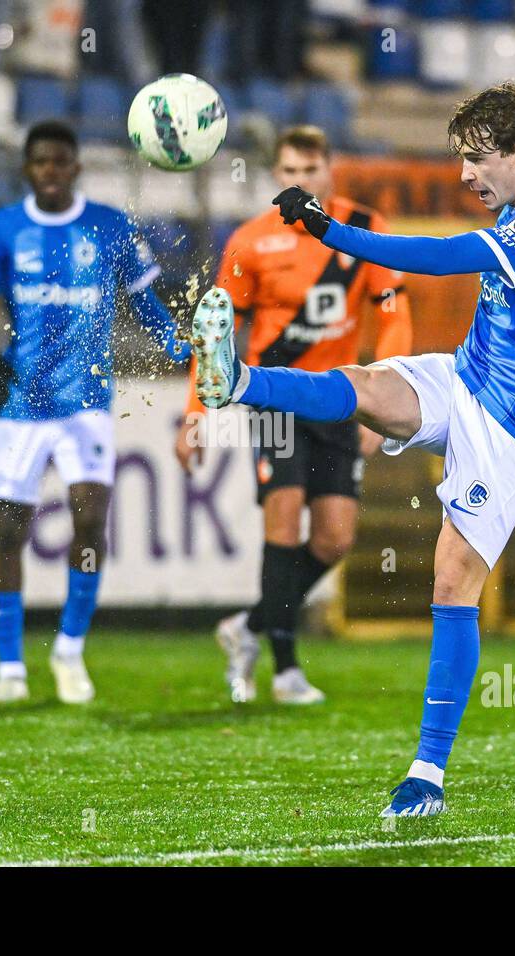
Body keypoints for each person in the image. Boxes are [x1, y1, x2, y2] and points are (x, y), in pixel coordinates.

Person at [189, 82, 515, 815]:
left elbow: (442, 259)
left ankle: (427, 776)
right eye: (460, 160)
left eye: (477, 160)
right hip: (471, 376)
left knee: (451, 583)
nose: (465, 176)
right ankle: (236, 381)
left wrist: (329, 231)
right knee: (363, 384)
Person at [175, 125, 412, 705]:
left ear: (330, 171)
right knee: (282, 522)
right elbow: (213, 332)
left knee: (333, 540)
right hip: (277, 401)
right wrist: (194, 414)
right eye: (289, 173)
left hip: (339, 399)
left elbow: (395, 318)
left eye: (310, 171)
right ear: (275, 178)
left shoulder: (364, 230)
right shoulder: (251, 242)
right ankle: (284, 668)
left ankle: (246, 625)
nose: (300, 181)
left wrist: (381, 402)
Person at [0, 120, 190, 705]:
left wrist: (184, 349)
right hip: (22, 407)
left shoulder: (109, 227)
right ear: (28, 169)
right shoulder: (3, 229)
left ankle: (69, 650)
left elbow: (146, 306)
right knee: (9, 531)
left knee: (90, 519)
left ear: (76, 167)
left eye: (61, 162)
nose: (51, 172)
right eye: (41, 163)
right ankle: (10, 668)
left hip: (86, 403)